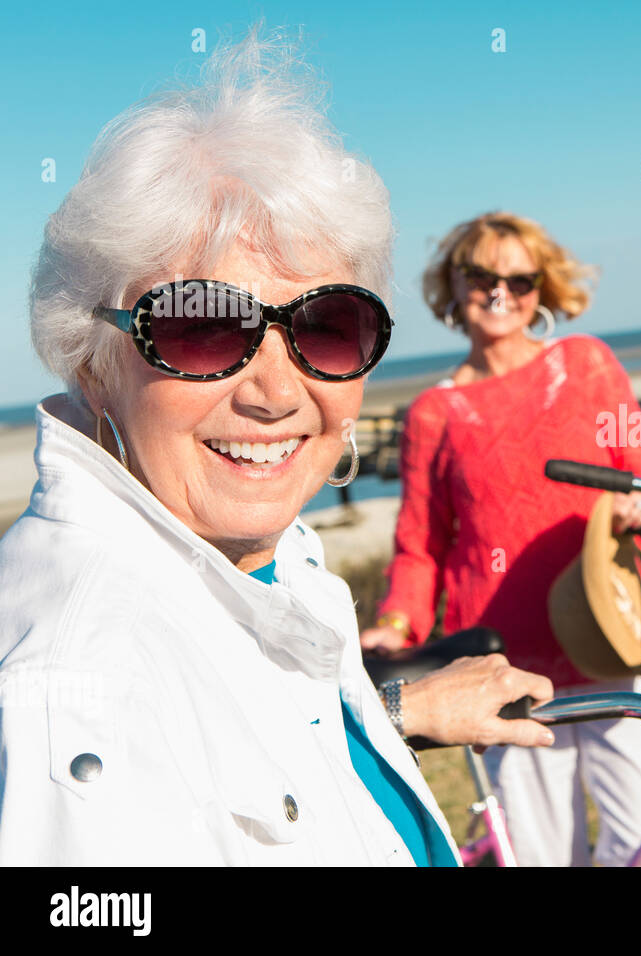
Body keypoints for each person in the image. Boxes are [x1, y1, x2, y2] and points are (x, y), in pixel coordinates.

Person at [0, 33, 555, 866]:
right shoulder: (79, 699)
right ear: (93, 360)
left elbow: (234, 720)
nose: (276, 392)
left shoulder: (252, 565)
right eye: (200, 327)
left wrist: (386, 714)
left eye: (329, 327)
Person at [361, 212, 641, 866]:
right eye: (481, 273)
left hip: (607, 642)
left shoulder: (586, 364)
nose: (500, 289)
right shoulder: (434, 412)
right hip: (503, 667)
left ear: (543, 288)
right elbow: (419, 546)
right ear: (453, 284)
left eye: (520, 277)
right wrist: (395, 622)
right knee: (540, 857)